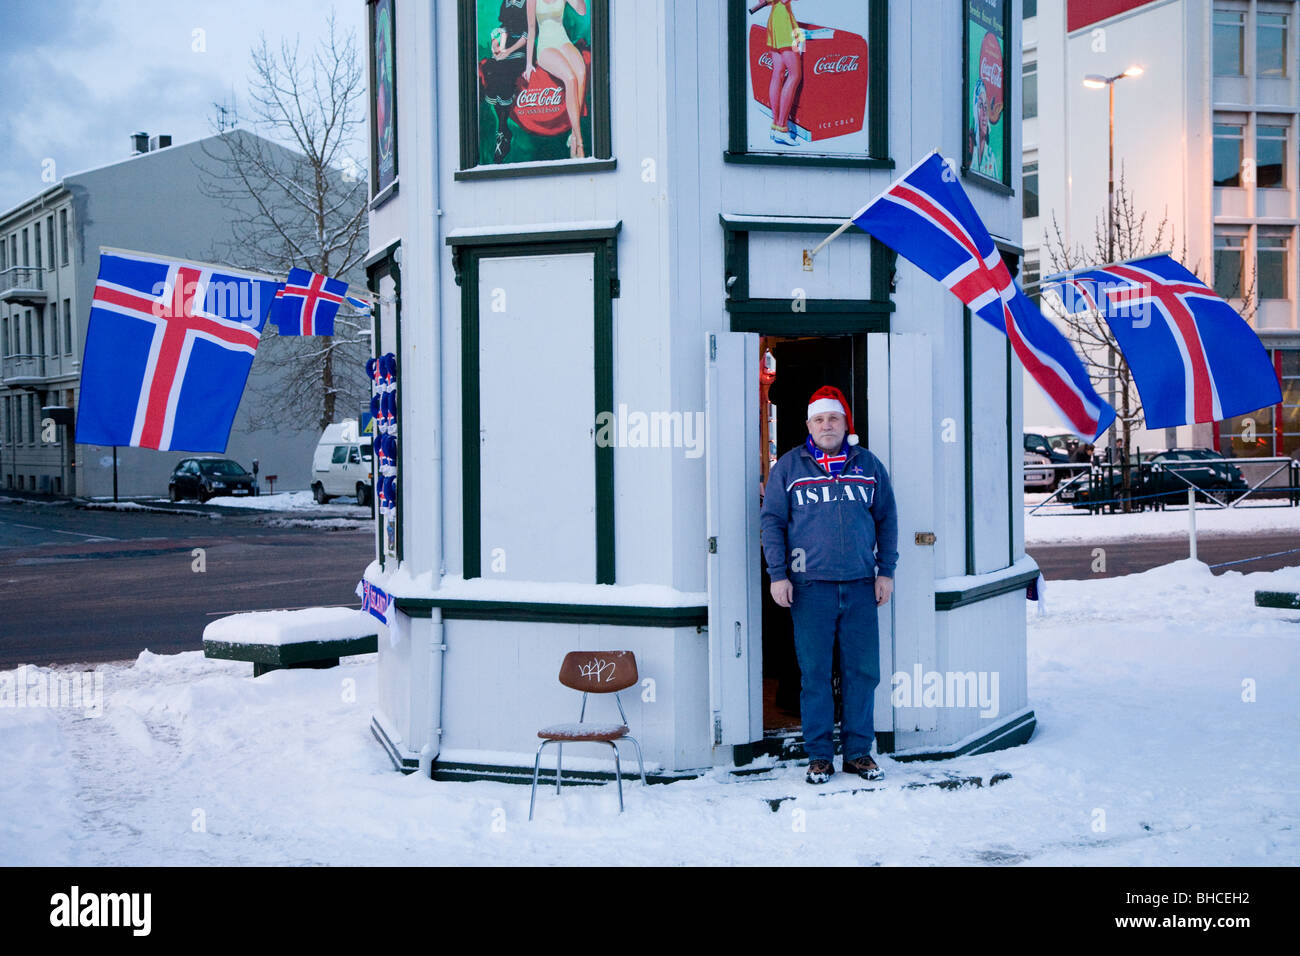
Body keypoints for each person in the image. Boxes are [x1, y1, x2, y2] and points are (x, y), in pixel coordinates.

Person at [760, 385, 898, 784]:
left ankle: (858, 753)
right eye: (819, 419)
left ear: (845, 423)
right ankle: (819, 755)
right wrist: (778, 574)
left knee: (862, 672)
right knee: (815, 674)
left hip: (859, 585)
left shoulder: (868, 464)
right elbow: (772, 523)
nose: (826, 425)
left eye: (833, 418)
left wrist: (885, 571)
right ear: (808, 424)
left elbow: (887, 519)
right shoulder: (789, 466)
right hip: (809, 588)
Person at [524, 0, 588, 158]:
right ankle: (578, 141)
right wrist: (528, 63)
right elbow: (531, 30)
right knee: (571, 78)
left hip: (563, 41)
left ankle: (573, 132)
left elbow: (582, 11)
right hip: (546, 46)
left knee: (581, 72)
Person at [967, 77, 997, 177]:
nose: (984, 112)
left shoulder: (991, 157)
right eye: (980, 106)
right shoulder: (969, 148)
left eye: (986, 107)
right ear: (975, 110)